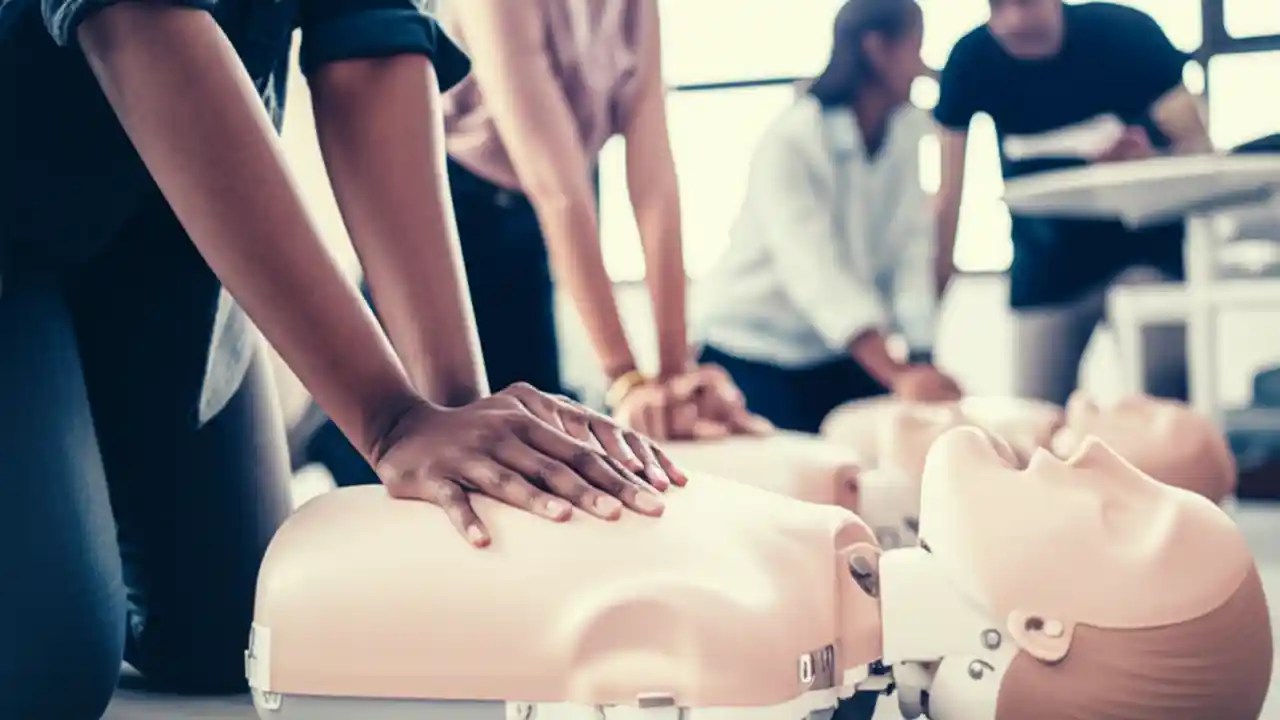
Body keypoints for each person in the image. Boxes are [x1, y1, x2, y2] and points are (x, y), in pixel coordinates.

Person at [0, 2, 680, 717]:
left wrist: (452, 411)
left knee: (230, 638)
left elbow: (370, 44)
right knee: (46, 675)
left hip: (168, 243)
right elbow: (137, 22)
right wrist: (388, 418)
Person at [301, 0, 768, 488]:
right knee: (407, 449)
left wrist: (674, 374)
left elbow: (654, 187)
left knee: (533, 447)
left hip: (525, 220)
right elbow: (558, 188)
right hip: (453, 213)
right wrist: (627, 379)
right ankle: (327, 454)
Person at [694, 0, 962, 434]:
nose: (922, 67)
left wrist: (921, 358)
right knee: (804, 469)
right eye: (915, 47)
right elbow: (814, 271)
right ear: (878, 48)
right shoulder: (793, 138)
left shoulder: (908, 131)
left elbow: (913, 247)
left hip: (835, 353)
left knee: (913, 439)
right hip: (751, 351)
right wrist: (896, 376)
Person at [933, 0, 1213, 406]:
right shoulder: (972, 58)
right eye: (997, 6)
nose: (1011, 21)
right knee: (1034, 415)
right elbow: (948, 191)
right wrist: (933, 295)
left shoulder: (1125, 33)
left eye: (1025, 4)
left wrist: (1149, 159)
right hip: (1046, 262)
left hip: (1143, 253)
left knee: (1163, 408)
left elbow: (1199, 151)